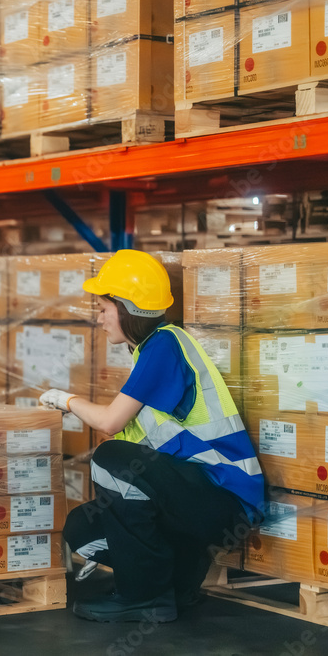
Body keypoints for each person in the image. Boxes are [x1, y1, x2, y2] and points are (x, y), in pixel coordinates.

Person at [39, 250, 264, 623]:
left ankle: (142, 596)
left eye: (104, 308)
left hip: (224, 499)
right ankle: (175, 585)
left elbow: (111, 422)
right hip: (191, 500)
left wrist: (66, 400)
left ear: (126, 308)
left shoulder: (165, 344)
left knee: (111, 459)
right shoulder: (148, 351)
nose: (99, 318)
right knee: (81, 528)